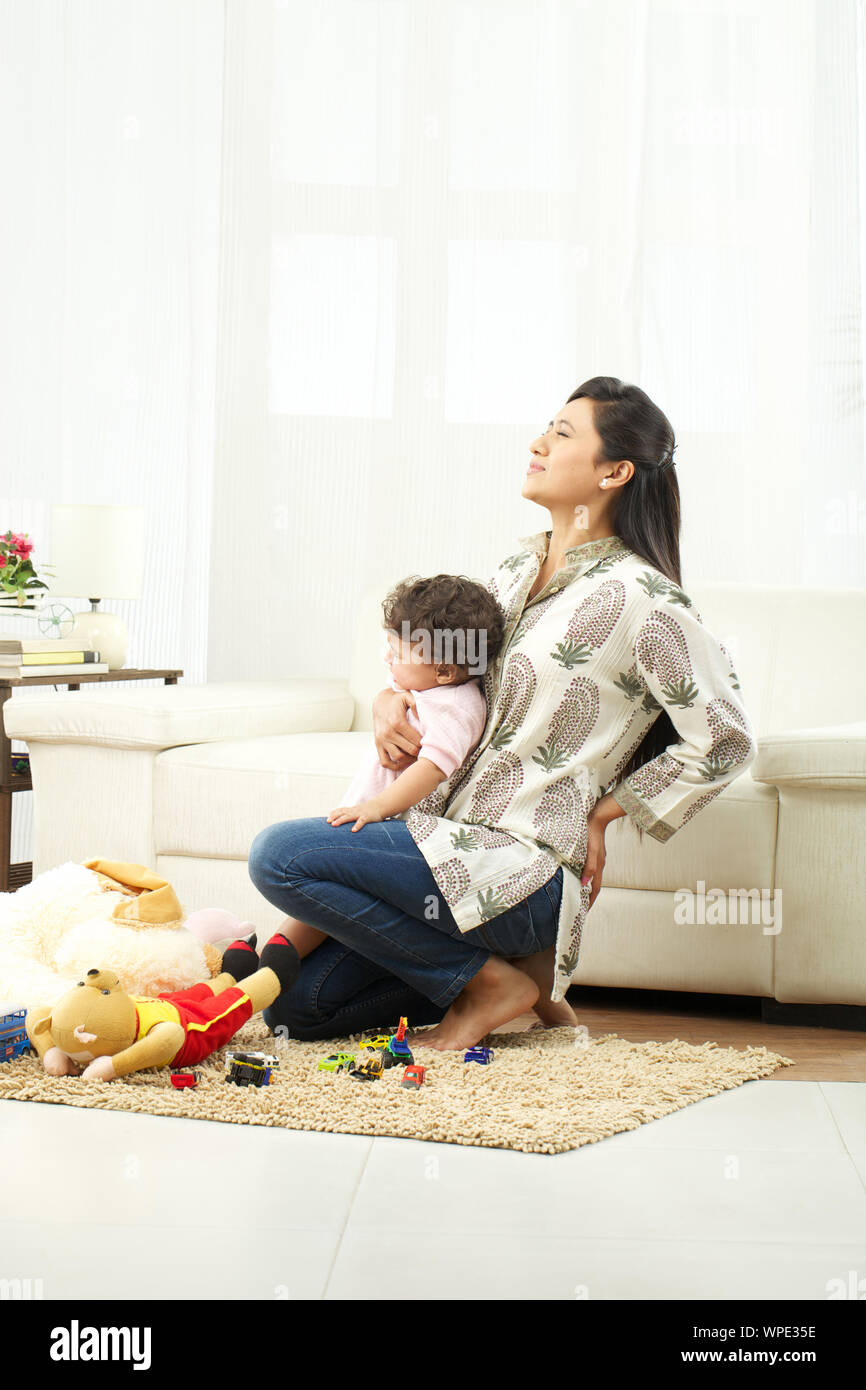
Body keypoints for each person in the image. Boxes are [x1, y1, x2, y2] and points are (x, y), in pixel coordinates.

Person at [247, 375, 758, 1051]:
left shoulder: (647, 600)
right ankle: (497, 976)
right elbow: (446, 672)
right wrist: (387, 699)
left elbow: (724, 738)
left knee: (280, 856)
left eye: (562, 433)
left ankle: (495, 985)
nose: (538, 443)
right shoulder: (514, 569)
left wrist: (610, 810)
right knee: (299, 1009)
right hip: (440, 850)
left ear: (615, 471)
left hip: (522, 869)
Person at [264, 573, 506, 964]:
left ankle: (268, 966)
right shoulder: (431, 688)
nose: (386, 659)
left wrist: (379, 807)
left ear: (444, 670)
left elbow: (432, 767)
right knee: (318, 905)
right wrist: (388, 694)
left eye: (398, 653)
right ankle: (268, 962)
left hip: (390, 828)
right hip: (372, 819)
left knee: (312, 887)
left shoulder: (458, 707)